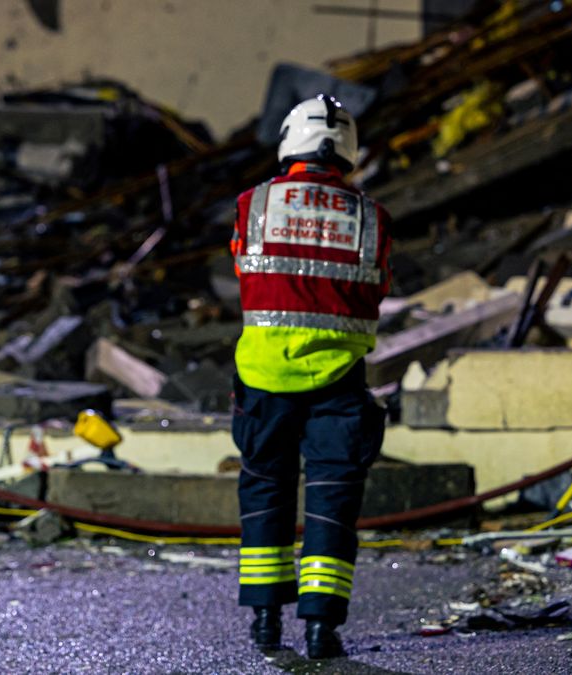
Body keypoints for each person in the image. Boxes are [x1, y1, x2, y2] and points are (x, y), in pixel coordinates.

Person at [229, 95, 390, 659]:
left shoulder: (253, 205)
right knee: (332, 501)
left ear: (288, 142)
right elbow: (377, 288)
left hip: (263, 375)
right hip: (339, 377)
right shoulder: (371, 215)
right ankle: (323, 629)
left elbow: (242, 270)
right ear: (347, 149)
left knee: (265, 492)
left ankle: (266, 621)